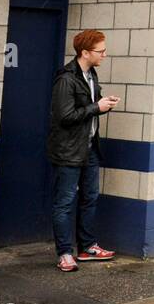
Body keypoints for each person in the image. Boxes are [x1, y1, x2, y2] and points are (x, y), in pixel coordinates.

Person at [48, 29, 120, 272]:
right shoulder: (66, 79)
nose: (104, 55)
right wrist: (96, 107)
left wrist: (103, 105)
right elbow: (65, 116)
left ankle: (87, 247)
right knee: (65, 202)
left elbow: (89, 109)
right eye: (100, 51)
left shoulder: (91, 75)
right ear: (85, 52)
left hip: (89, 148)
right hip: (68, 150)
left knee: (90, 198)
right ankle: (65, 254)